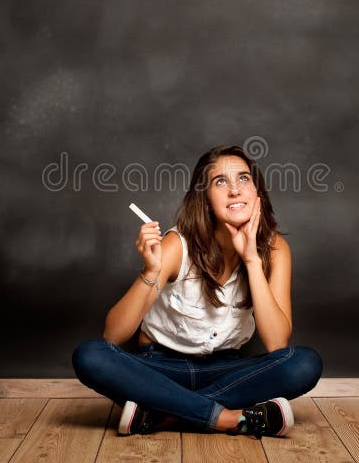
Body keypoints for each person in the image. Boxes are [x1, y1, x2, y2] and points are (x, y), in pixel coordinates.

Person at [72, 145, 323, 438]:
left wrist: (252, 261)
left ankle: (164, 414)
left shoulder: (276, 249)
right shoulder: (177, 244)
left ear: (257, 192)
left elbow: (277, 344)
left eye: (243, 179)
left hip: (227, 372)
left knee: (304, 364)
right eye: (221, 182)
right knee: (89, 355)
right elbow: (112, 337)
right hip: (160, 369)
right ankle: (228, 419)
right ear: (204, 199)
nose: (234, 190)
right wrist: (150, 272)